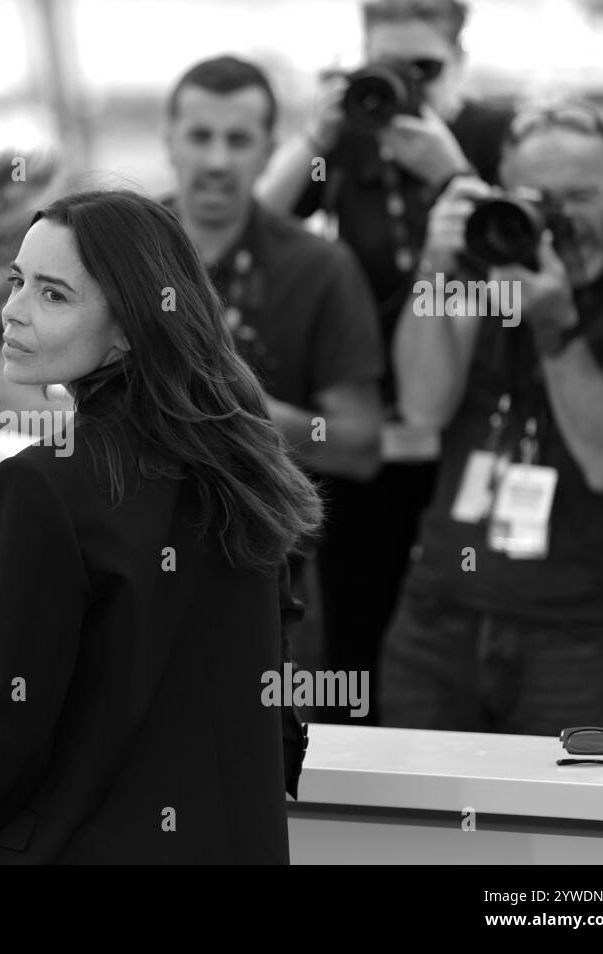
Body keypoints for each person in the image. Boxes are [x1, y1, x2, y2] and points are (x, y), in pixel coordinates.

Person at [0, 189, 323, 864]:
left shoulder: (40, 486)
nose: (12, 312)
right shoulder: (242, 467)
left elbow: (3, 736)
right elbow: (270, 705)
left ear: (130, 327)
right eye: (16, 283)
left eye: (53, 295)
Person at [254, 0, 514, 725]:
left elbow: (525, 258)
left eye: (423, 69)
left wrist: (453, 169)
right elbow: (251, 234)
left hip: (471, 431)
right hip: (367, 433)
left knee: (458, 635)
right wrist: (319, 133)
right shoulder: (347, 142)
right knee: (358, 633)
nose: (404, 86)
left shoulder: (492, 132)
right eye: (386, 68)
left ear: (460, 60)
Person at [383, 100, 603, 733]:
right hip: (438, 617)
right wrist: (437, 268)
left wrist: (555, 330)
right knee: (418, 826)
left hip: (578, 637)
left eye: (583, 194)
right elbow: (424, 405)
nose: (564, 218)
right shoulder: (489, 270)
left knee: (574, 828)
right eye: (542, 198)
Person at [160, 55, 384, 722]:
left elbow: (361, 445)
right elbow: (9, 391)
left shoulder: (320, 268)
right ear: (168, 140)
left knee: (273, 796)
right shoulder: (106, 248)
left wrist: (235, 405)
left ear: (269, 150)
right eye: (200, 136)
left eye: (239, 139)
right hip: (116, 578)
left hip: (267, 593)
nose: (218, 159)